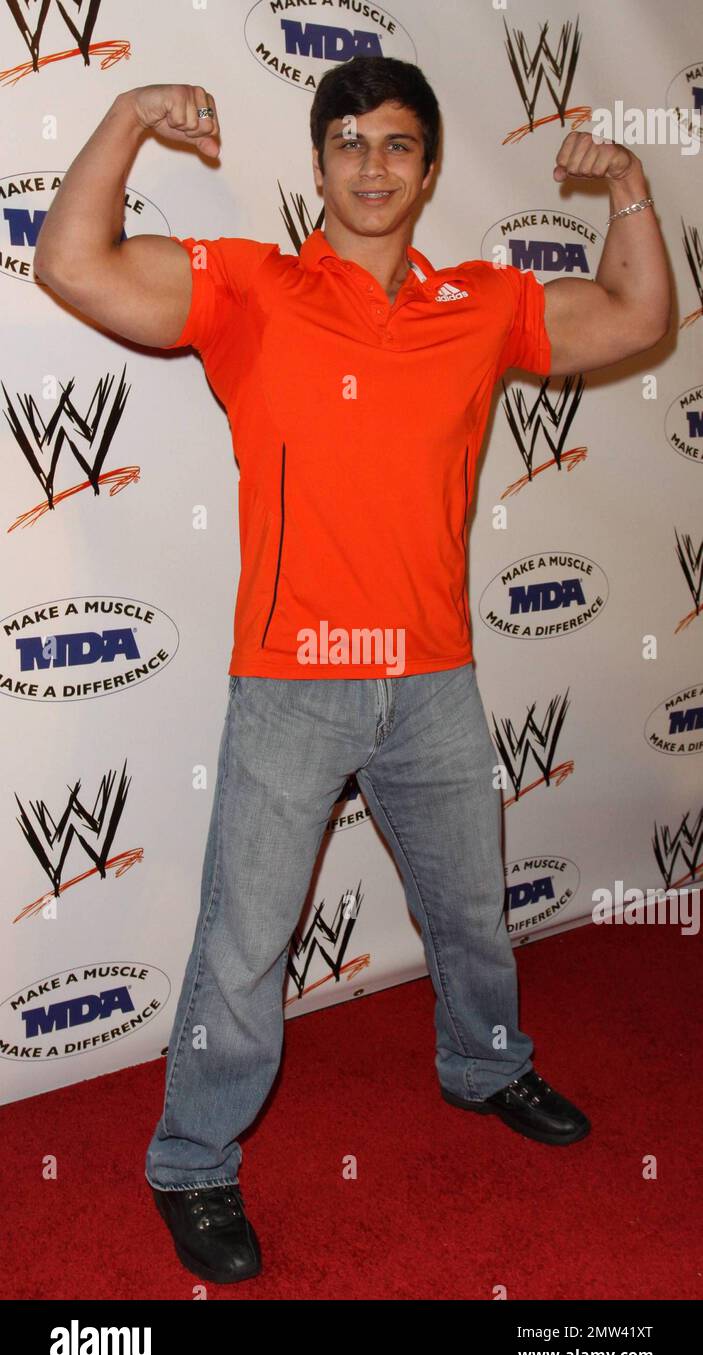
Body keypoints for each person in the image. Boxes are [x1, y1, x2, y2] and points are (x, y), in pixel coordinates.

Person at [34, 56, 671, 1287]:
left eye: (396, 145)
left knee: (474, 913)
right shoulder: (253, 289)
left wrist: (630, 188)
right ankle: (194, 1163)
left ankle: (486, 1065)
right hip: (293, 681)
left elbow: (638, 319)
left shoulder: (480, 303)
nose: (372, 165)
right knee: (244, 944)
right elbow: (72, 261)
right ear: (318, 164)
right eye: (348, 143)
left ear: (429, 170)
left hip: (433, 677)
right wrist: (122, 117)